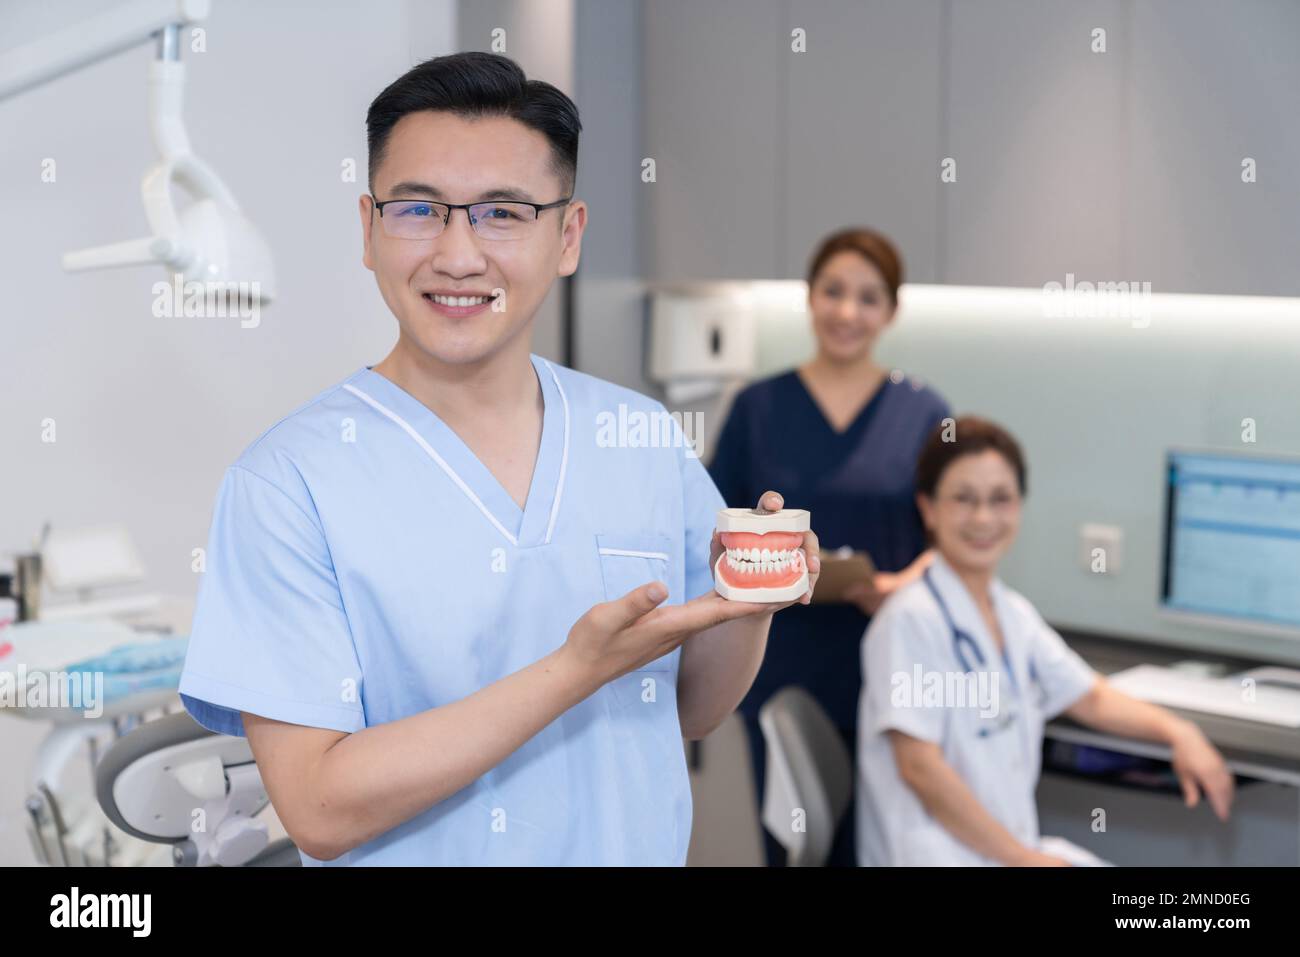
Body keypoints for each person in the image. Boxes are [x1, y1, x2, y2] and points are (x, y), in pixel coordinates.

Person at [177, 52, 820, 866]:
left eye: (503, 214)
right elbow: (318, 807)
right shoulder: (288, 483)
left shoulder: (641, 436)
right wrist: (573, 670)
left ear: (568, 236)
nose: (457, 255)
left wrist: (749, 600)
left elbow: (689, 709)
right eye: (418, 210)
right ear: (369, 231)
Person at [857, 416, 1234, 866]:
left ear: (1019, 507)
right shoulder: (909, 621)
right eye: (963, 499)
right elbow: (919, 768)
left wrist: (1179, 732)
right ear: (929, 509)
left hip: (1006, 853)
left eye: (1000, 499)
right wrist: (1023, 860)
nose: (983, 518)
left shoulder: (1011, 613)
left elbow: (1089, 696)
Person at [708, 228, 948, 865]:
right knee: (797, 846)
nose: (848, 311)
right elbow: (709, 527)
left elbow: (956, 539)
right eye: (834, 292)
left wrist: (905, 584)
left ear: (891, 311)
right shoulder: (758, 408)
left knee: (885, 848)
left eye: (868, 298)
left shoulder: (926, 415)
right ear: (810, 298)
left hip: (891, 660)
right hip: (781, 663)